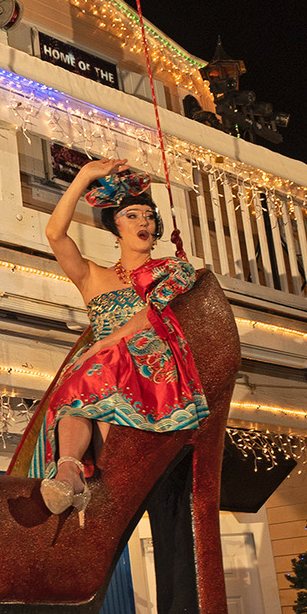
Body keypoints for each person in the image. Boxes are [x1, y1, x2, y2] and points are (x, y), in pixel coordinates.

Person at [35, 158, 209, 521]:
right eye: (132, 215)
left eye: (148, 216)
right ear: (115, 227)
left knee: (97, 365)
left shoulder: (171, 270)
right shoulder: (92, 276)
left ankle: (92, 478)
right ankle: (69, 471)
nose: (143, 222)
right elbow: (54, 234)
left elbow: (155, 312)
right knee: (81, 381)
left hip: (148, 362)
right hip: (103, 371)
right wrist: (84, 176)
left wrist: (105, 342)